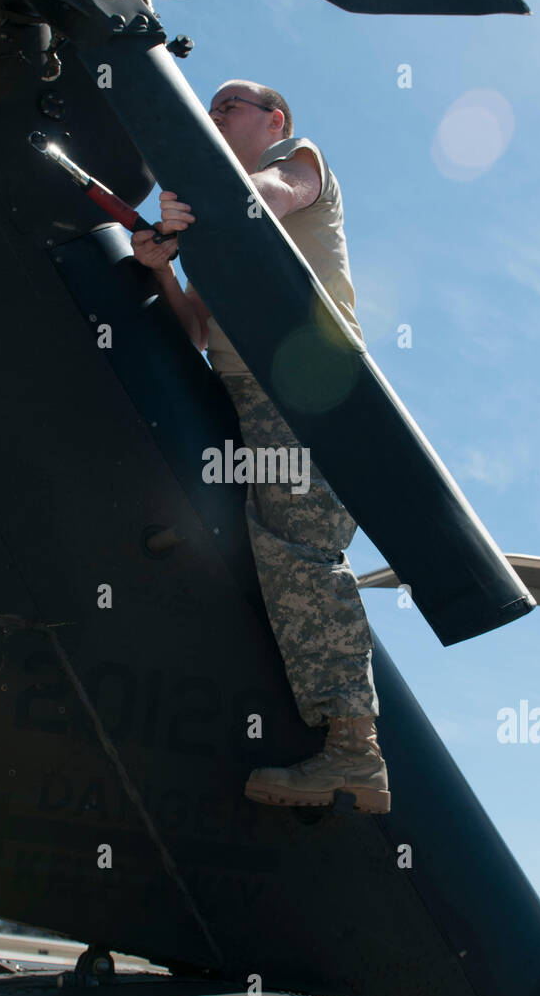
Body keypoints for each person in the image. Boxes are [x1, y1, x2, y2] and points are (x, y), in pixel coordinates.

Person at [131, 80, 390, 814]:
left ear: (273, 119)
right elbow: (196, 333)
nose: (213, 117)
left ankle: (353, 753)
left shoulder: (295, 161)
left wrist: (198, 212)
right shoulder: (217, 229)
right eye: (210, 107)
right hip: (247, 394)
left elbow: (270, 196)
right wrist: (163, 268)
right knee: (259, 548)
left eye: (228, 106)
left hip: (305, 389)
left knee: (298, 546)